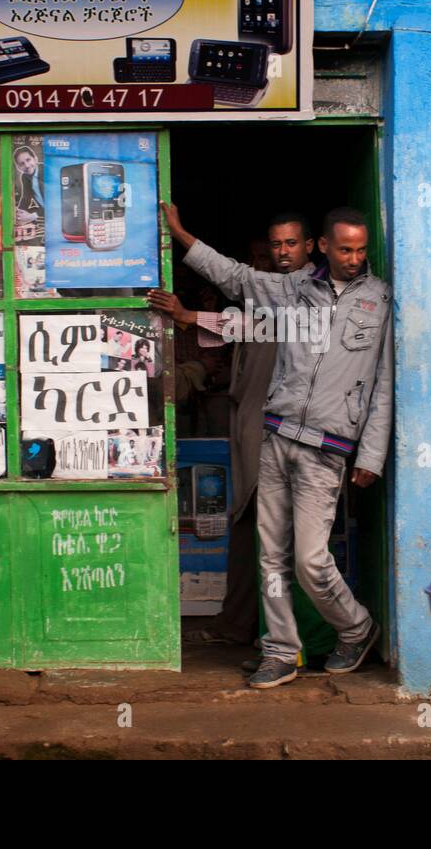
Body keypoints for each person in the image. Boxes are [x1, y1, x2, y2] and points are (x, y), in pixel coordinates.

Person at [163, 202, 393, 690]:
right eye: (346, 249)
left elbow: (383, 384)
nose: (355, 258)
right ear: (325, 247)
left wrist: (371, 455)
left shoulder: (378, 301)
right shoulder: (291, 291)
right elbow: (235, 276)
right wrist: (184, 236)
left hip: (327, 448)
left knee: (310, 559)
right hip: (276, 436)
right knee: (271, 555)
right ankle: (281, 652)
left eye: (361, 250)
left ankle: (356, 627)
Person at [149, 213, 316, 649]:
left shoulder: (311, 298)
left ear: (310, 247)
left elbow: (238, 298)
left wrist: (183, 236)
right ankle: (246, 625)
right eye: (268, 250)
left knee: (277, 536)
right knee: (250, 527)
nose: (276, 258)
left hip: (283, 437)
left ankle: (277, 634)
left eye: (287, 246)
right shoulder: (272, 307)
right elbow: (244, 325)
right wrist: (188, 315)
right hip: (253, 431)